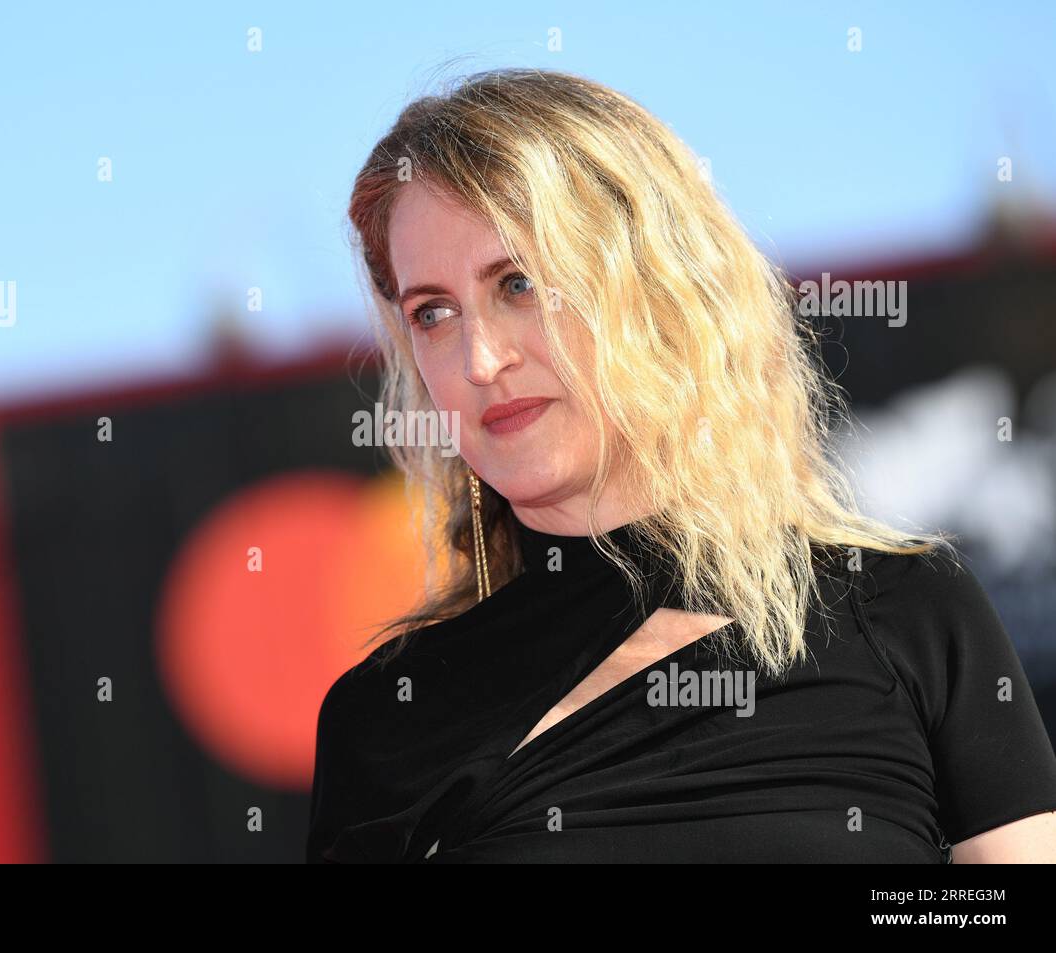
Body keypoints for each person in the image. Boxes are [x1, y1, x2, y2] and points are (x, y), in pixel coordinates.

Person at [307, 67, 1056, 863]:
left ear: (656, 289)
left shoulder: (905, 612)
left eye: (519, 283)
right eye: (433, 312)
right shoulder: (386, 715)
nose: (480, 358)